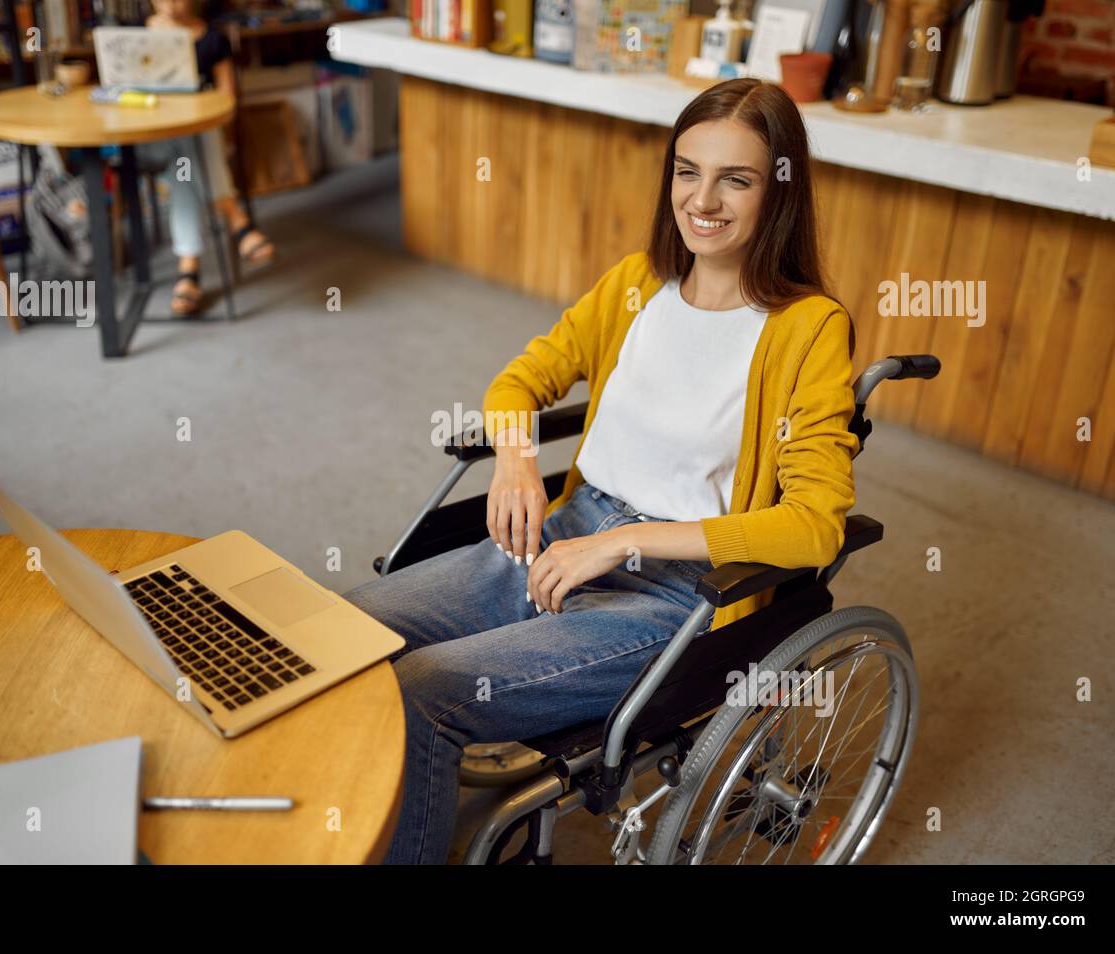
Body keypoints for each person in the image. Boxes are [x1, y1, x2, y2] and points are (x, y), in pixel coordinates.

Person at [343, 78, 860, 865]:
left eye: (737, 179)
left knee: (425, 696)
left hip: (669, 598)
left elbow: (817, 523)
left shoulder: (807, 330)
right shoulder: (634, 286)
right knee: (345, 634)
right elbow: (522, 381)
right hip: (559, 536)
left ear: (780, 190)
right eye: (688, 171)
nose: (704, 200)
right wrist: (516, 459)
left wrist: (624, 545)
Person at [140, 0, 275, 315]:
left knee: (185, 157)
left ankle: (189, 268)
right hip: (149, 140)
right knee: (188, 145)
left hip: (193, 143)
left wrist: (195, 108)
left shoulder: (213, 40)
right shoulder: (134, 37)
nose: (171, 3)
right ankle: (235, 217)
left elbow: (227, 101)